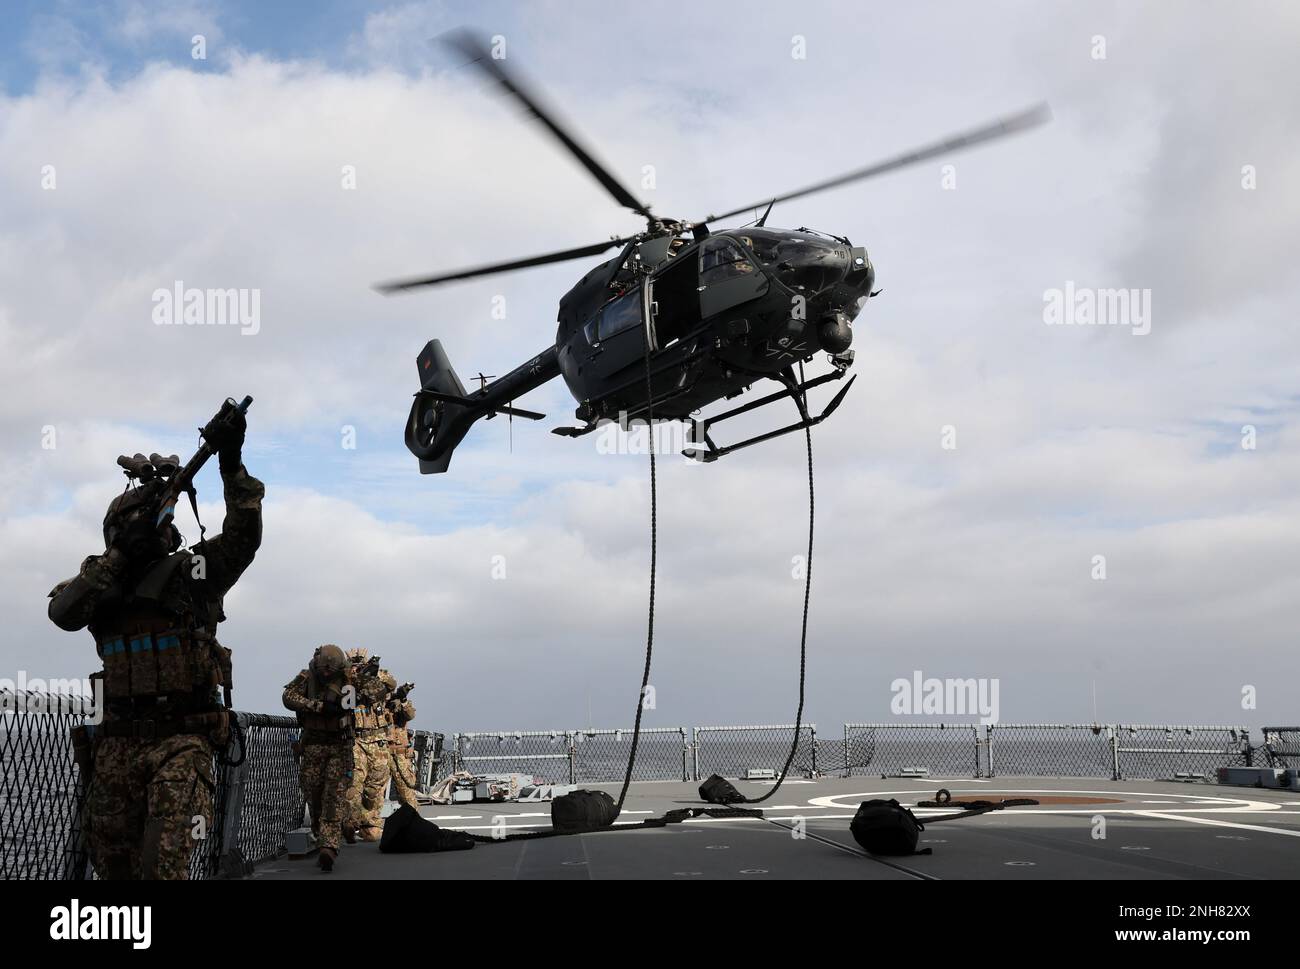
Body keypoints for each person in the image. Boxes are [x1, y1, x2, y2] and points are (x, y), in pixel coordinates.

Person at [48, 406, 262, 879]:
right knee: (112, 866)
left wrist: (231, 461)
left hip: (182, 739)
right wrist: (122, 555)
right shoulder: (100, 583)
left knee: (163, 866)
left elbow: (243, 538)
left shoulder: (192, 574)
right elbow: (63, 613)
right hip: (116, 744)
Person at [282, 645, 354, 872]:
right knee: (313, 793)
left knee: (333, 794)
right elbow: (288, 696)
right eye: (323, 669)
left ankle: (329, 847)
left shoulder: (348, 680)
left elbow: (365, 698)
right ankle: (324, 831)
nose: (326, 674)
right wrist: (317, 706)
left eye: (330, 670)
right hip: (312, 745)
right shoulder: (307, 677)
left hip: (339, 746)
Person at [342, 648, 394, 842]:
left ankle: (369, 821)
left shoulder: (376, 677)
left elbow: (390, 684)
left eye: (359, 664)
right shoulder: (345, 679)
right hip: (355, 739)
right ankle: (351, 823)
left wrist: (371, 673)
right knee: (355, 782)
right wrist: (353, 676)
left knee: (376, 784)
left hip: (377, 739)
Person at [385, 683, 421, 811]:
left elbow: (410, 715)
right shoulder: (376, 704)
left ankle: (413, 821)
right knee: (374, 791)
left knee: (406, 792)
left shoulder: (399, 704)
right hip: (380, 752)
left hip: (399, 753)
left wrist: (403, 699)